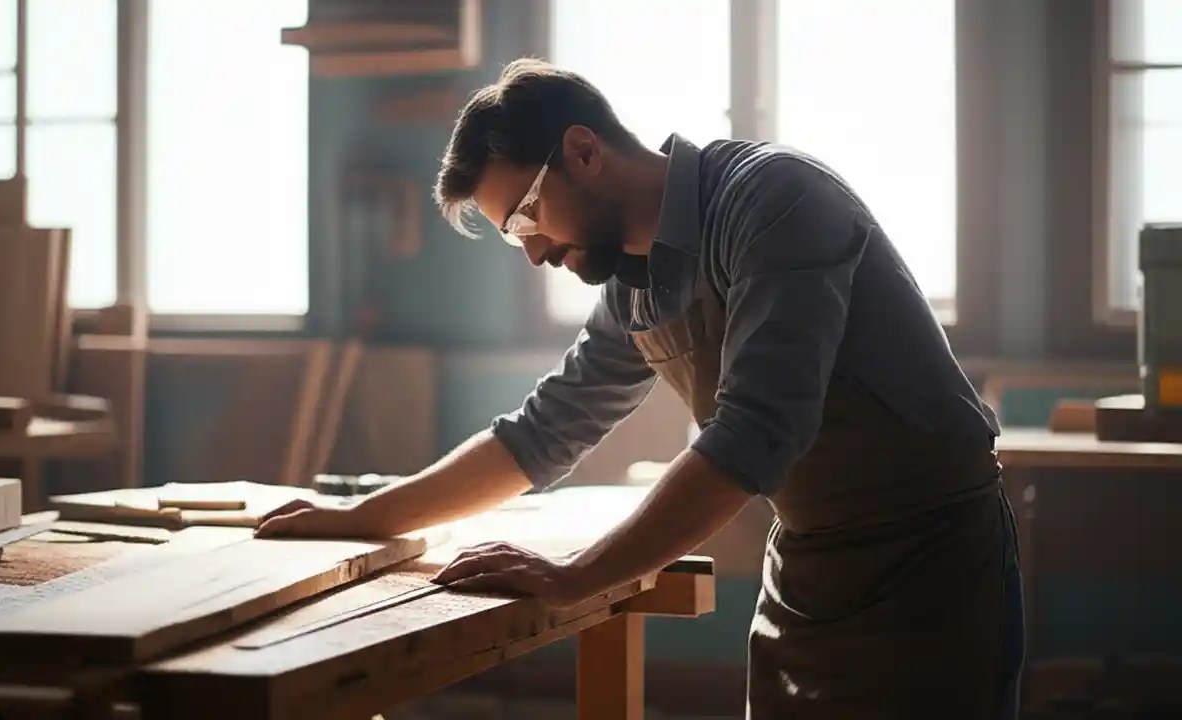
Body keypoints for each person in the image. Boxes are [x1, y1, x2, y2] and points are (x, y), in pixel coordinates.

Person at [257, 58, 1025, 719]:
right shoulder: (632, 283)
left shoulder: (775, 201)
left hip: (932, 562)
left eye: (527, 214)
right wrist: (363, 519)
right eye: (512, 235)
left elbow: (755, 433)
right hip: (809, 562)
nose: (532, 252)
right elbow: (541, 433)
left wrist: (577, 578)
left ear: (584, 151)